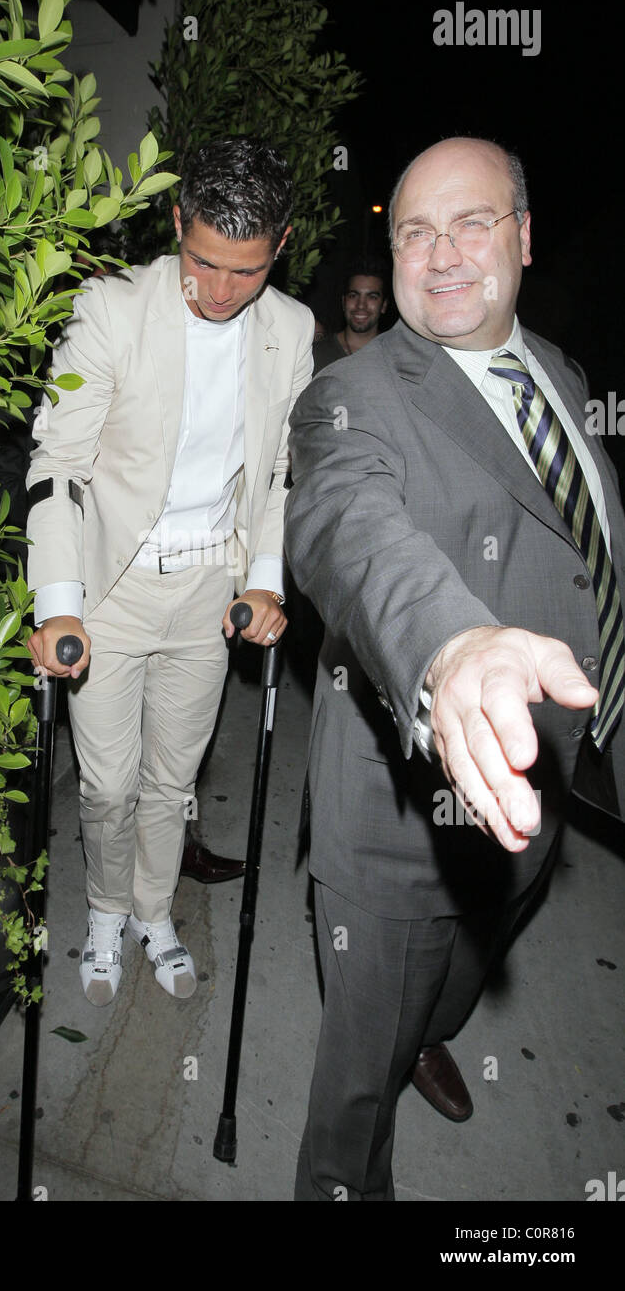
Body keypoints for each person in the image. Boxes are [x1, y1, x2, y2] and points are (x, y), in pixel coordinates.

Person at [285, 136, 624, 1200]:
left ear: (520, 236)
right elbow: (342, 522)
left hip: (537, 789)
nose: (438, 255)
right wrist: (446, 644)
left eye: (468, 223)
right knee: (352, 1098)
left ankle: (427, 1031)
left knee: (460, 975)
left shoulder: (557, 373)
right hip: (400, 831)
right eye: (412, 233)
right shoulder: (352, 396)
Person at [26, 137, 314, 1006]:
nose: (221, 291)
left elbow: (277, 473)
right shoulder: (109, 310)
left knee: (172, 781)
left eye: (247, 271)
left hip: (205, 596)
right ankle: (106, 910)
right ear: (178, 222)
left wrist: (263, 579)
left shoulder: (292, 329)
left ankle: (154, 911)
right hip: (110, 593)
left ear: (283, 246)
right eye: (203, 263)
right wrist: (58, 604)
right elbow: (58, 461)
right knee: (107, 783)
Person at [312, 258, 389, 371]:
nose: (361, 305)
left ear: (384, 305)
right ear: (343, 302)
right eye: (353, 295)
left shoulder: (395, 357)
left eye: (372, 297)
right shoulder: (316, 355)